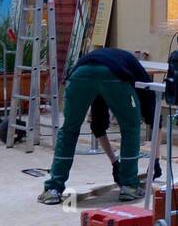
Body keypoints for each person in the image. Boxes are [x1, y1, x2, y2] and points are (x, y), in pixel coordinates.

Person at [38, 47, 157, 205]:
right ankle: (129, 186)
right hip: (113, 76)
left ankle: (53, 189)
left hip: (79, 75)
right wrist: (155, 161)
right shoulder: (137, 73)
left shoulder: (109, 65)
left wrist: (114, 162)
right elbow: (155, 119)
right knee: (131, 128)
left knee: (69, 130)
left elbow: (98, 126)